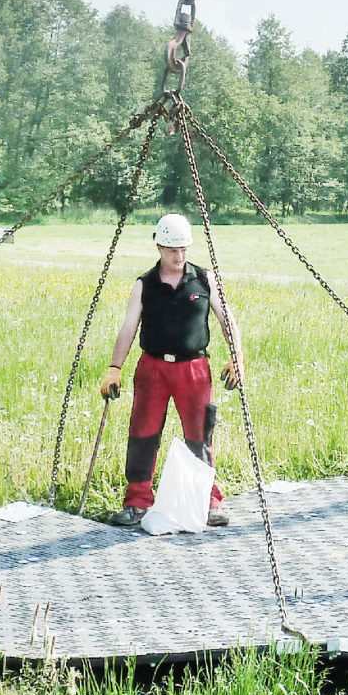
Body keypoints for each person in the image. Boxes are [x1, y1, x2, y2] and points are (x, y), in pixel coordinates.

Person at [99, 213, 242, 528]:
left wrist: (237, 358)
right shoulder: (144, 285)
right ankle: (137, 502)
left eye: (184, 249)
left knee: (200, 436)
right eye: (173, 250)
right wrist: (114, 368)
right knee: (142, 435)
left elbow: (226, 318)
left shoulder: (205, 280)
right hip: (152, 369)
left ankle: (209, 501)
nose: (179, 256)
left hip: (194, 369)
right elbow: (128, 327)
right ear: (159, 247)